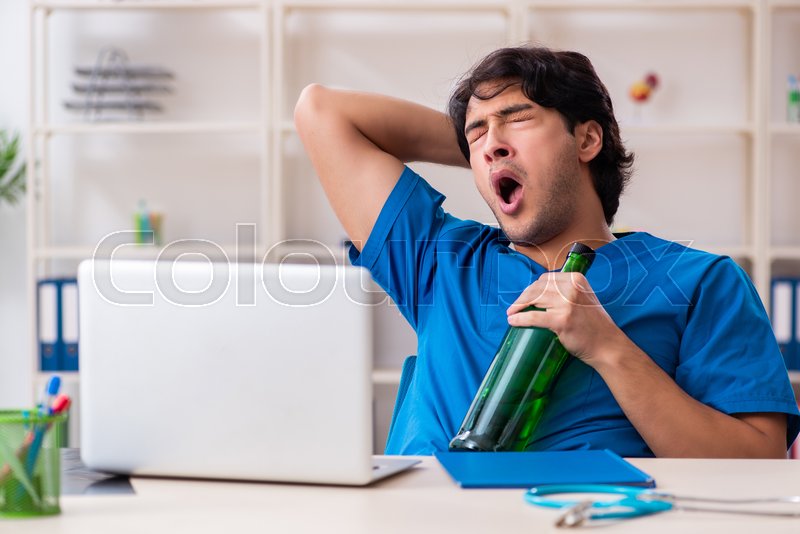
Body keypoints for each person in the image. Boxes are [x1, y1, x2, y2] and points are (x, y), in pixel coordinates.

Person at [294, 45, 800, 457]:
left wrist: (608, 347)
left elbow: (756, 460)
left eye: (518, 117)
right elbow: (321, 111)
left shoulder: (700, 280)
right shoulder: (438, 260)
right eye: (475, 132)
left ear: (587, 139)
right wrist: (493, 147)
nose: (490, 142)